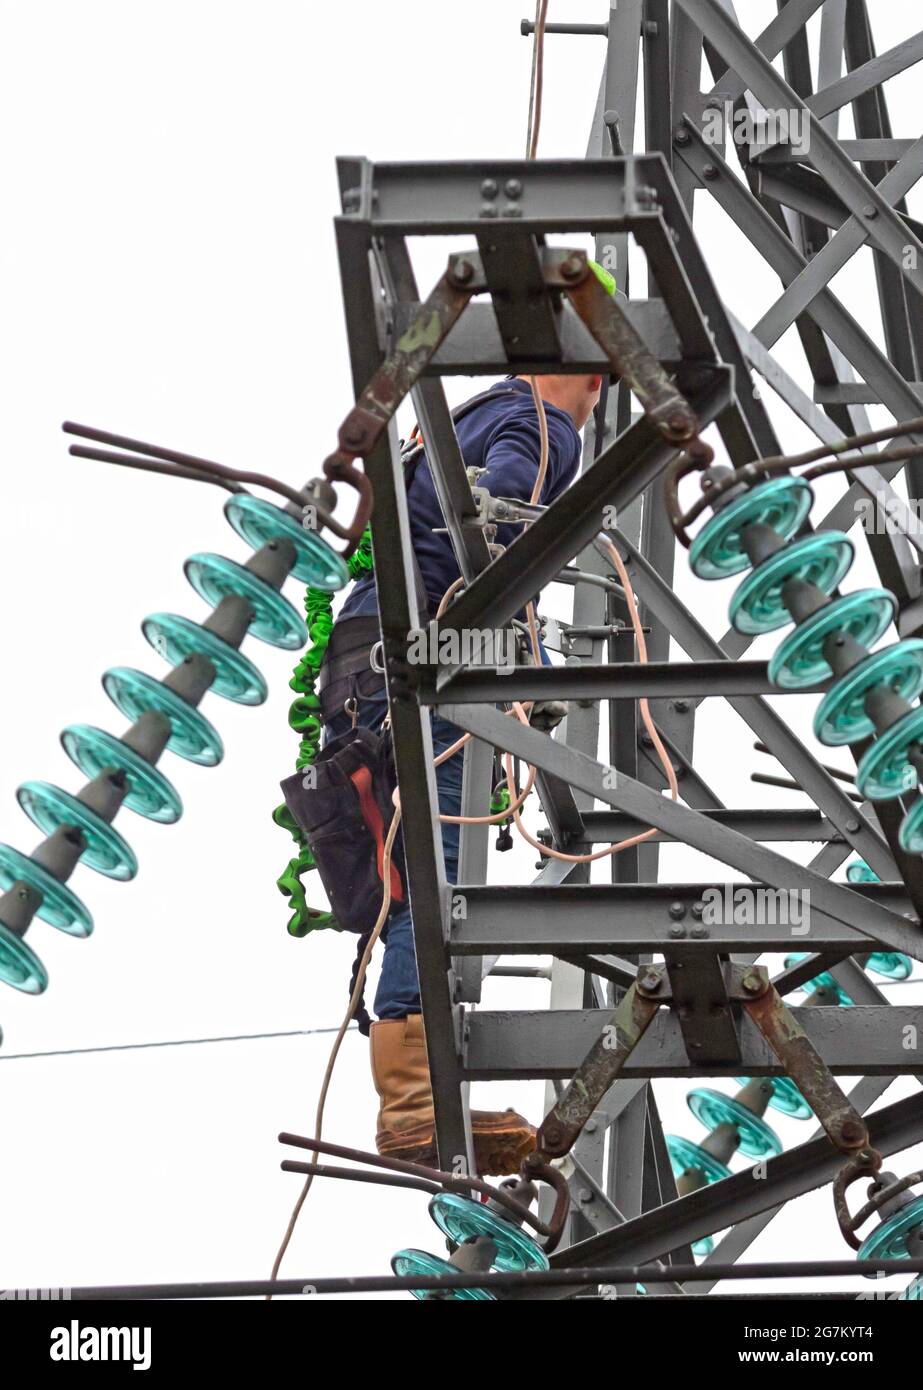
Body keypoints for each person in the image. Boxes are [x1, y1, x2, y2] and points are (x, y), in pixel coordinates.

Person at [318, 372, 603, 1174]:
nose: (599, 399)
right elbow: (500, 533)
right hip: (419, 662)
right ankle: (412, 1101)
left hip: (363, 663)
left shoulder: (456, 421)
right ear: (586, 371)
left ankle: (412, 1089)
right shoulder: (542, 424)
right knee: (434, 872)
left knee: (410, 875)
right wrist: (533, 673)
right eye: (602, 382)